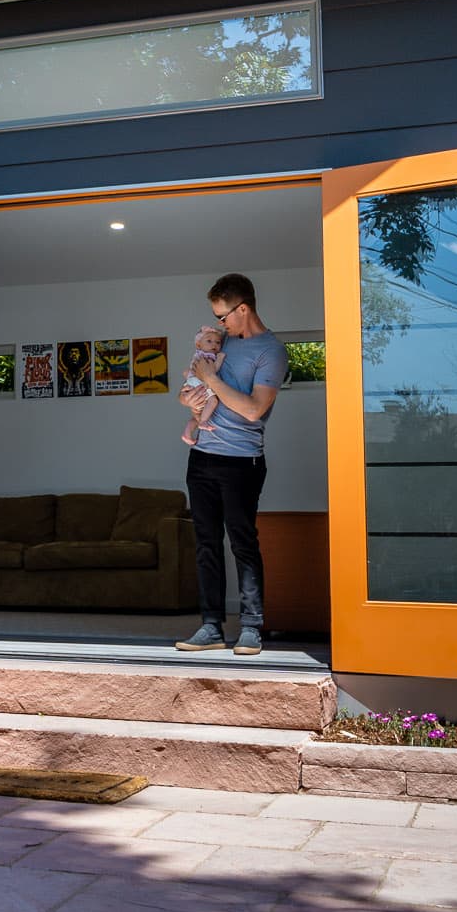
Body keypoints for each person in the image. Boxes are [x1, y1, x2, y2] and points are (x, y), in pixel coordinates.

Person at [174, 274, 289, 657]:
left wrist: (212, 380)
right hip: (202, 457)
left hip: (242, 462)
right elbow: (192, 387)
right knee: (206, 544)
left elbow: (255, 409)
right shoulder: (220, 344)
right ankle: (211, 626)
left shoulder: (270, 351)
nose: (219, 325)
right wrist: (191, 398)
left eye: (223, 316)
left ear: (244, 309)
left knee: (242, 542)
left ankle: (252, 627)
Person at [179, 322, 226, 446]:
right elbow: (210, 371)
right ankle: (204, 422)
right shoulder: (209, 356)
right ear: (198, 344)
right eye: (209, 341)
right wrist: (220, 358)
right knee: (213, 401)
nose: (214, 345)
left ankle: (187, 433)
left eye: (217, 342)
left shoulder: (198, 354)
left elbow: (188, 371)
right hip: (200, 384)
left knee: (196, 415)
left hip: (193, 383)